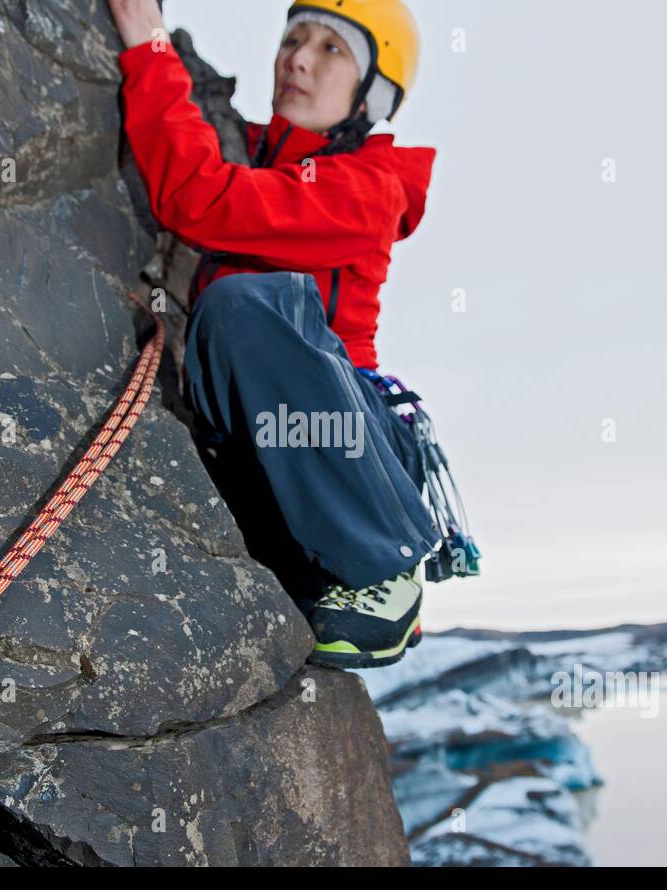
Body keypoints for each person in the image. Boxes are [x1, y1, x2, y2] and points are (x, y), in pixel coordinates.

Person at [110, 0, 440, 668]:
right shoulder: (251, 150)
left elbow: (199, 197)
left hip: (351, 443)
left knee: (247, 303)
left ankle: (382, 565)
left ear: (372, 93)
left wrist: (148, 46)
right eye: (295, 38)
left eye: (331, 50)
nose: (297, 58)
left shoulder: (369, 186)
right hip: (260, 451)